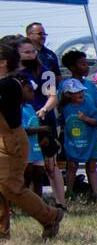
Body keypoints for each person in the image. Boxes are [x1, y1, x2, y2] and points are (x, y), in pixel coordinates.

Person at [0, 39, 62, 239]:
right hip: (4, 138)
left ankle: (50, 216)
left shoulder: (8, 85)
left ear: (3, 62)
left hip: (10, 140)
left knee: (12, 187)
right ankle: (2, 231)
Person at [22, 78, 64, 209]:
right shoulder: (18, 109)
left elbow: (36, 122)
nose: (33, 94)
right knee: (26, 174)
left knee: (38, 174)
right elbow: (23, 129)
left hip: (36, 147)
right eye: (29, 91)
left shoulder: (30, 107)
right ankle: (23, 204)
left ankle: (38, 205)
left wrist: (42, 136)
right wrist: (42, 129)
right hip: (25, 148)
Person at [59, 77, 97, 200]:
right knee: (71, 166)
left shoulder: (88, 105)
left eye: (81, 91)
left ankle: (95, 193)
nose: (80, 94)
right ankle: (69, 192)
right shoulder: (65, 108)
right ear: (68, 95)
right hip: (73, 142)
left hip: (89, 141)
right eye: (76, 92)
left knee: (91, 167)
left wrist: (85, 119)